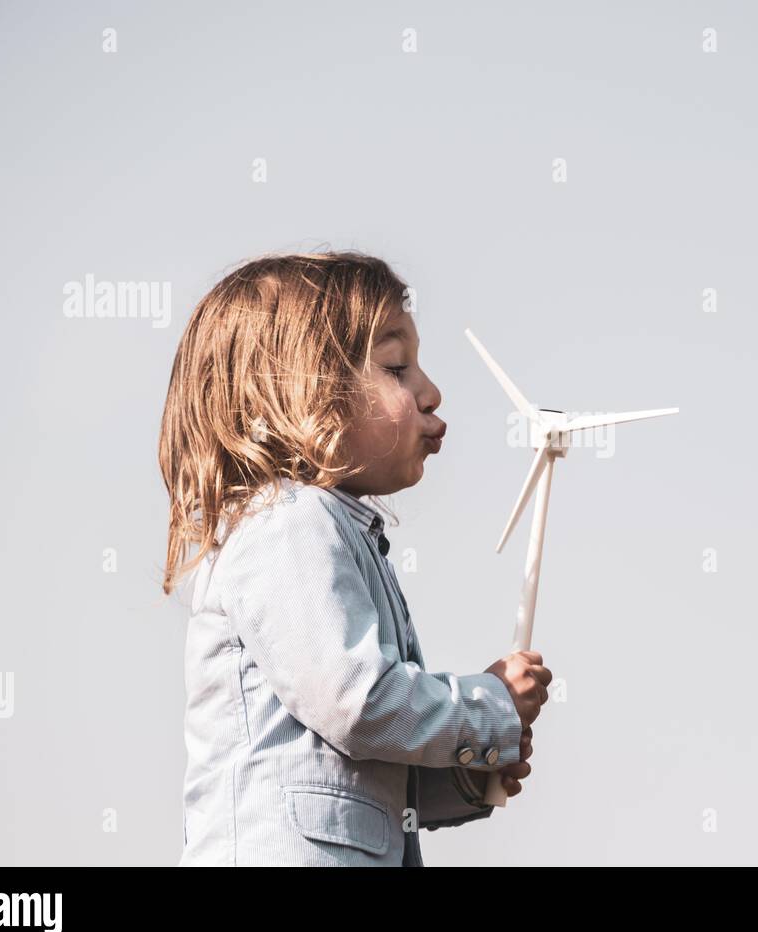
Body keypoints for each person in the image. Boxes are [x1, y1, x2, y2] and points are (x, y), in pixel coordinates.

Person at [158, 251, 551, 865]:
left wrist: (466, 773)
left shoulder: (330, 530)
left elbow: (362, 766)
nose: (431, 391)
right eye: (397, 368)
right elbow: (358, 703)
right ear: (301, 392)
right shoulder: (287, 522)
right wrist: (484, 706)